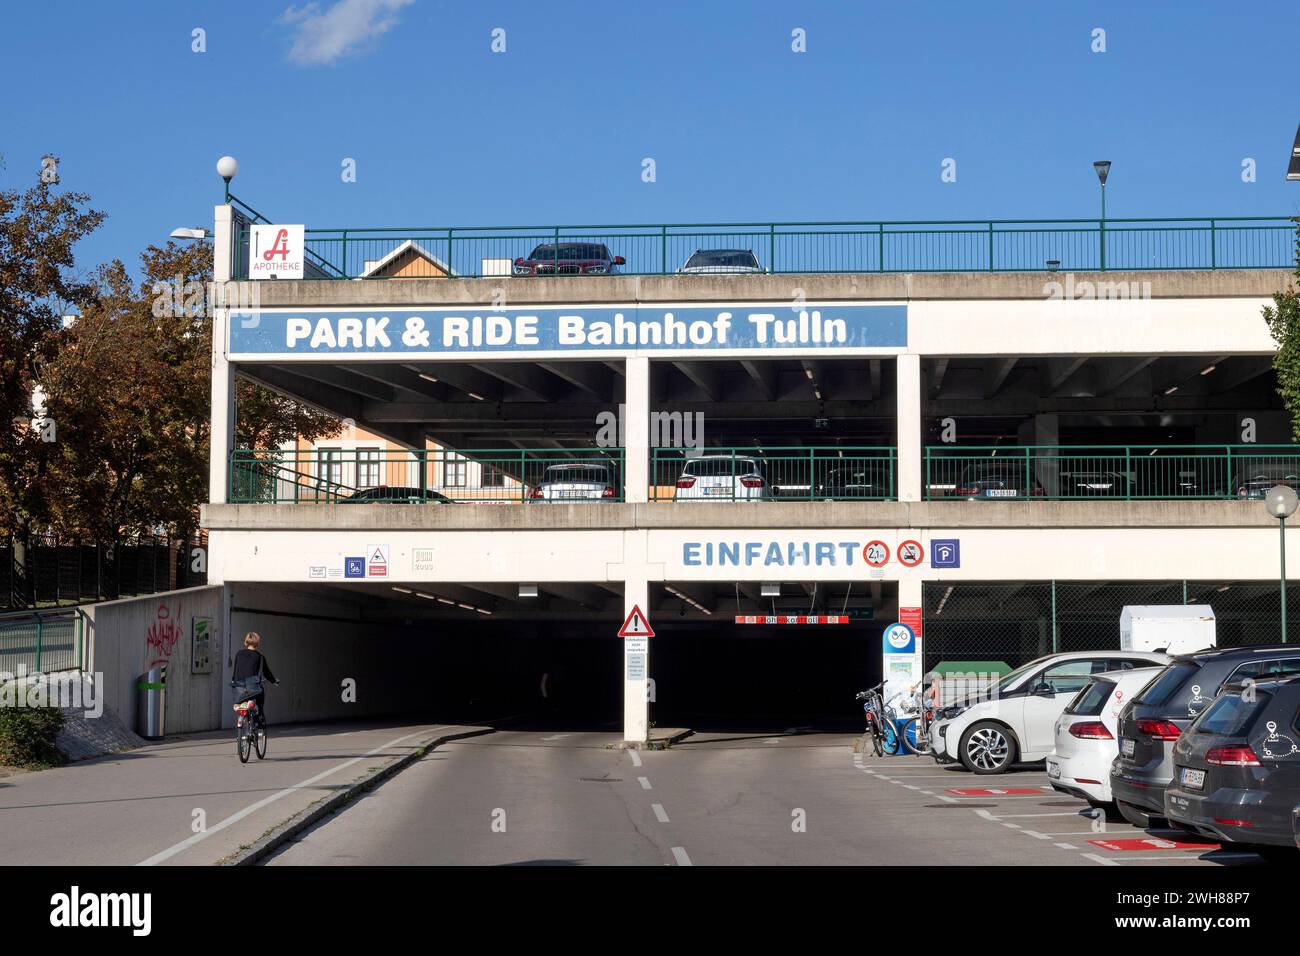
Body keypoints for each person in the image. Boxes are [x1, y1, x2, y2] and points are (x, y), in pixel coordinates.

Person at [231, 631, 279, 726]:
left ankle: (241, 705)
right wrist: (274, 681)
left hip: (239, 687)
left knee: (242, 700)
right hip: (252, 687)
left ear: (246, 641)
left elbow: (235, 670)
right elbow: (267, 673)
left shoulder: (239, 654)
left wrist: (234, 681)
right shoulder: (260, 657)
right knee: (260, 699)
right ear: (257, 643)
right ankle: (258, 720)